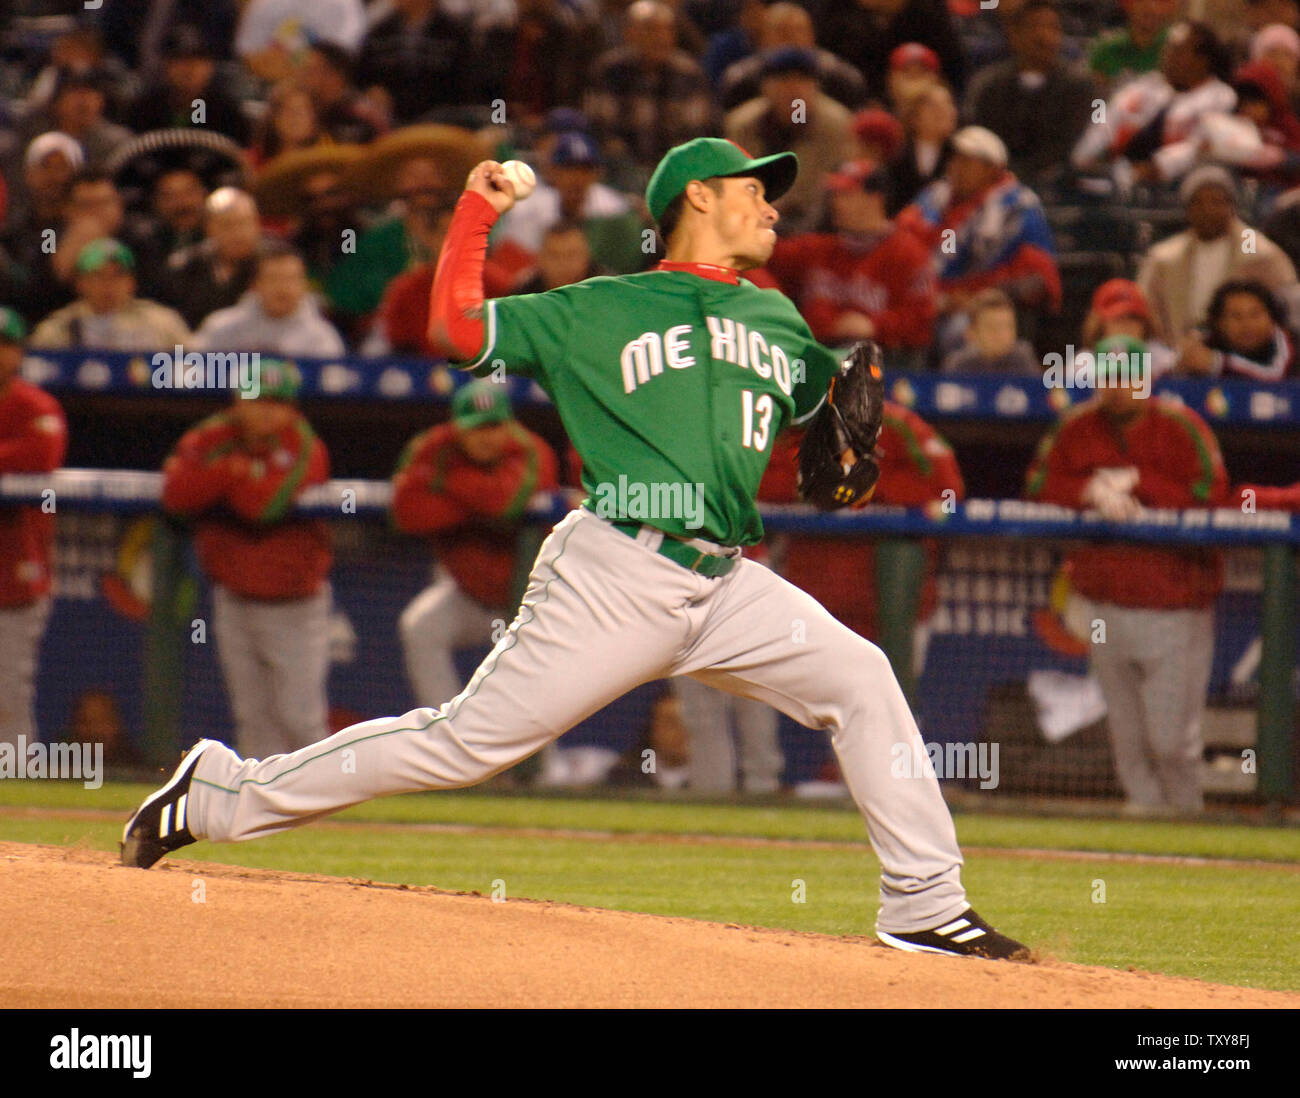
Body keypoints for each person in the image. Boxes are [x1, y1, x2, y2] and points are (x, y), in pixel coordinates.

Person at [122, 136, 1030, 963]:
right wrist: (476, 216)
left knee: (864, 678)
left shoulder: (781, 322)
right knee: (466, 745)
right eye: (757, 191)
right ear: (701, 197)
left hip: (728, 582)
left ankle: (923, 902)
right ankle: (218, 794)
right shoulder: (599, 307)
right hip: (618, 572)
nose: (775, 207)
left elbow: (831, 466)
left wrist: (849, 458)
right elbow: (458, 332)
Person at [1025, 335, 1230, 816]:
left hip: (1174, 608)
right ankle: (1144, 822)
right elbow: (1037, 485)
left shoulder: (1182, 426)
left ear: (1148, 380)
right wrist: (1089, 488)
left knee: (1169, 739)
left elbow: (1212, 493)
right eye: (1107, 378)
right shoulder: (1076, 428)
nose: (1116, 388)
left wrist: (1142, 482)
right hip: (1103, 604)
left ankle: (1187, 819)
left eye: (1127, 378)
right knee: (1129, 737)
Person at [159, 360, 332, 760]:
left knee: (300, 717)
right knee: (252, 717)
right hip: (233, 597)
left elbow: (264, 506)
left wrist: (222, 477)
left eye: (278, 401)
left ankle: (325, 807)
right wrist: (238, 472)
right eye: (257, 399)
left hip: (295, 603)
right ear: (237, 401)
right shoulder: (211, 436)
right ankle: (264, 812)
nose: (267, 410)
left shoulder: (304, 443)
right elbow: (176, 495)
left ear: (293, 409)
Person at [391, 380, 559, 709]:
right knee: (420, 627)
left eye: (494, 426)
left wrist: (445, 485)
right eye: (475, 427)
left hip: (531, 600)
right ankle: (446, 734)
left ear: (509, 426)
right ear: (456, 429)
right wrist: (475, 499)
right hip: (469, 595)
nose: (485, 436)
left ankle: (542, 761)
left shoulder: (531, 449)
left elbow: (503, 502)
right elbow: (405, 513)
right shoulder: (434, 448)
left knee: (533, 702)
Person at [764, 159, 937, 368]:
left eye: (846, 194)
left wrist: (874, 326)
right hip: (815, 359)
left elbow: (922, 324)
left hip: (883, 364)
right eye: (835, 194)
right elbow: (757, 257)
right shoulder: (817, 249)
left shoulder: (908, 254)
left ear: (875, 198)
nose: (836, 202)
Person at [0, 308, 67, 748]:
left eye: (5, 344)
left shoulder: (35, 406)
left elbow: (40, 455)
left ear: (19, 352)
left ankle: (13, 793)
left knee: (7, 694)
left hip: (16, 571)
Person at [1136, 165, 1296, 339]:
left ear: (1232, 206)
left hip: (1244, 351)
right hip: (1177, 347)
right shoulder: (1165, 257)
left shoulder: (1251, 244)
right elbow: (1144, 306)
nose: (1207, 210)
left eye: (1216, 201)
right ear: (1187, 209)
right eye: (1198, 202)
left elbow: (1284, 301)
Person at [963, 0, 1096, 187]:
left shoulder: (1079, 86)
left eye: (1052, 27)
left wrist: (1017, 176)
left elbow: (1067, 146)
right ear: (1013, 34)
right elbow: (980, 137)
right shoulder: (989, 86)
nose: (1044, 36)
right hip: (991, 182)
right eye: (1034, 26)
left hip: (1056, 186)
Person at [724, 47, 854, 235]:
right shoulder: (743, 124)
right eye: (783, 80)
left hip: (812, 224)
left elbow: (827, 186)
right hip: (751, 217)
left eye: (802, 80)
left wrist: (784, 203)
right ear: (765, 86)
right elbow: (735, 177)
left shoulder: (836, 125)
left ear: (815, 86)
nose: (793, 88)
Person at [583, 1, 716, 176]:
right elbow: (601, 132)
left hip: (675, 174)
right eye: (650, 29)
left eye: (667, 30)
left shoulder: (690, 75)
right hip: (620, 176)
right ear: (628, 33)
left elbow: (695, 135)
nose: (660, 37)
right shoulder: (609, 71)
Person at [29, 238, 192, 352]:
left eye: (118, 275)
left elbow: (193, 369)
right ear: (80, 283)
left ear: (131, 282)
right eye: (98, 275)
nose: (108, 284)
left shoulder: (163, 322)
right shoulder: (58, 328)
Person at [194, 242, 346, 357]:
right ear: (255, 285)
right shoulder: (221, 327)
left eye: (291, 279)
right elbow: (186, 372)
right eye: (273, 279)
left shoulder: (322, 337)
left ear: (304, 285)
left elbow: (336, 388)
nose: (283, 288)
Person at [160, 188, 271, 330]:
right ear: (209, 228)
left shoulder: (274, 263)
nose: (239, 233)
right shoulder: (183, 268)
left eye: (245, 223)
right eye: (228, 224)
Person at [1176, 278, 1300, 378]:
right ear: (1219, 323)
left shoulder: (1290, 342)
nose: (1247, 324)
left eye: (1255, 315)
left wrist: (1218, 364)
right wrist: (1181, 365)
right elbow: (1164, 380)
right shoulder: (1207, 341)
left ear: (1272, 319)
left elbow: (1278, 377)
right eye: (1236, 316)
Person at [940, 288, 1040, 375]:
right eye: (992, 328)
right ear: (971, 333)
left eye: (1008, 326)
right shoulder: (958, 365)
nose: (1002, 334)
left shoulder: (1023, 360)